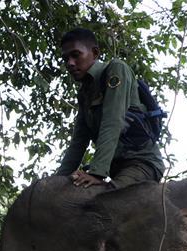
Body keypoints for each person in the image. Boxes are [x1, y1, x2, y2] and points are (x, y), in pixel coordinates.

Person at [55, 28, 165, 189]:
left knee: (106, 203)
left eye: (76, 55)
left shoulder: (116, 69)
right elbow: (79, 141)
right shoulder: (85, 93)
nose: (70, 63)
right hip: (116, 168)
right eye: (66, 58)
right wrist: (56, 182)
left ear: (95, 52)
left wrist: (96, 173)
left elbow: (112, 121)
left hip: (142, 163)